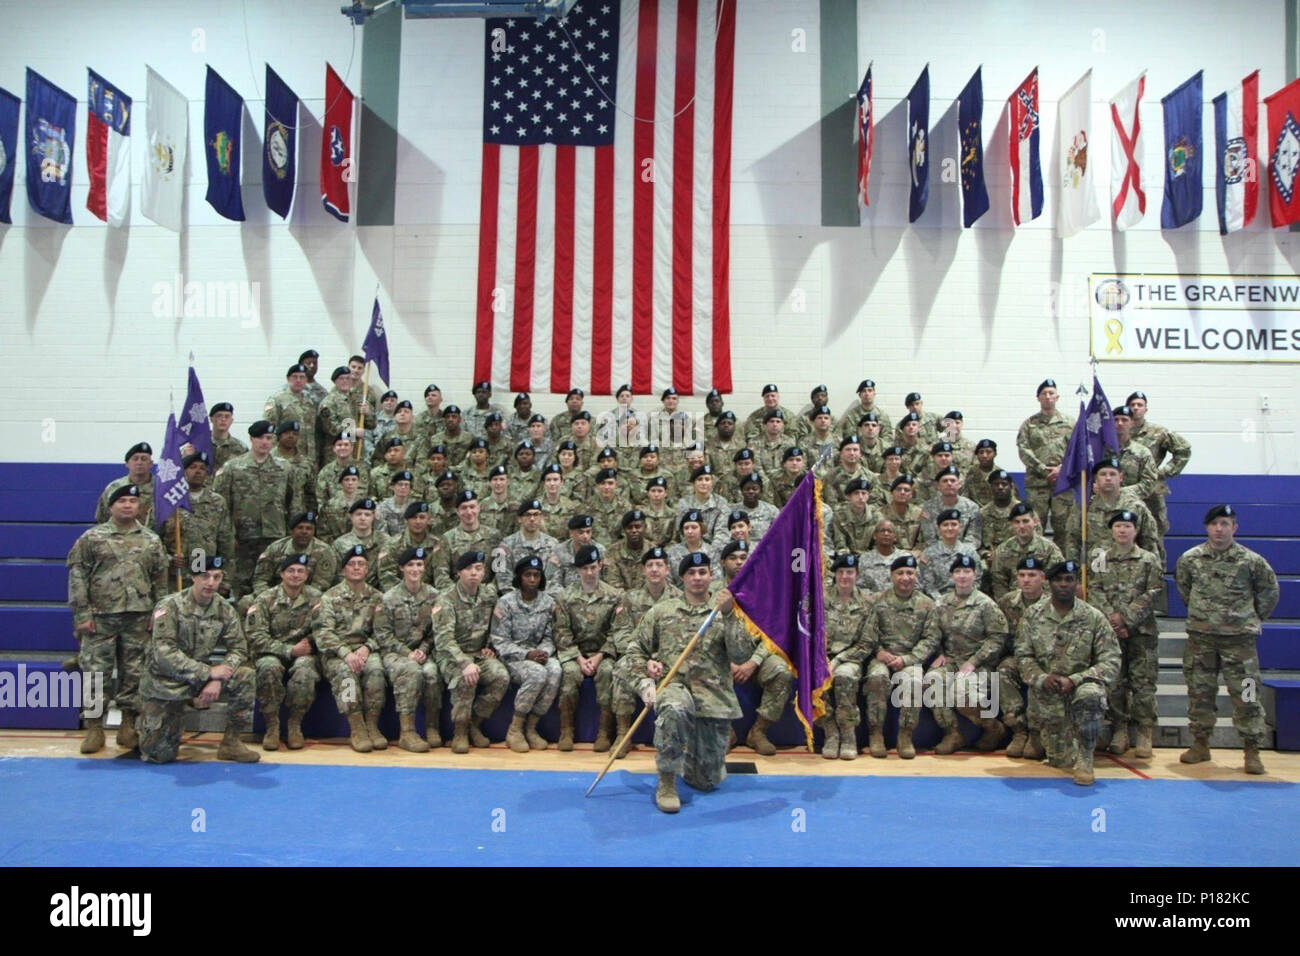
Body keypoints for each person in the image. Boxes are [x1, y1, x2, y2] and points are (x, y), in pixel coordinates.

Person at [626, 553, 755, 813]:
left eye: (703, 572)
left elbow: (742, 655)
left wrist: (730, 616)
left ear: (711, 576)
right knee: (674, 709)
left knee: (706, 782)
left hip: (713, 696)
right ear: (682, 577)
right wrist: (644, 681)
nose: (697, 578)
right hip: (675, 686)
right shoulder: (662, 612)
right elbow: (633, 650)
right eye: (692, 573)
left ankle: (690, 760)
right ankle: (666, 782)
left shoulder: (727, 612)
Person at [1175, 504, 1279, 775]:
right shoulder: (1190, 559)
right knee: (1200, 695)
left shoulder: (1251, 561)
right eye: (1214, 524)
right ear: (1206, 527)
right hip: (1201, 641)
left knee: (1247, 695)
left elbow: (1269, 591)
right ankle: (1200, 744)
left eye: (1225, 523)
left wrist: (1251, 619)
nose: (1219, 529)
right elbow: (1184, 589)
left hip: (1239, 644)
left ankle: (1252, 751)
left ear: (1235, 527)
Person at [67, 484, 170, 754]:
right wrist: (82, 614)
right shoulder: (92, 538)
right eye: (121, 501)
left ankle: (127, 726)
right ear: (110, 507)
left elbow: (160, 581)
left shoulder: (152, 540)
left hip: (138, 616)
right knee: (94, 674)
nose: (127, 505)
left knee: (134, 674)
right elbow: (78, 577)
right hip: (100, 618)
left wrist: (157, 615)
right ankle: (94, 729)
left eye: (132, 501)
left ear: (140, 507)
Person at [137, 555, 261, 764]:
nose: (211, 583)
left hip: (202, 678)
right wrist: (207, 673)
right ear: (193, 578)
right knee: (159, 755)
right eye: (205, 576)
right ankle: (148, 723)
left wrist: (217, 679)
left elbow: (239, 649)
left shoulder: (224, 609)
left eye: (217, 577)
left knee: (245, 676)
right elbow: (164, 654)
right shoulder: (169, 607)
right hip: (166, 681)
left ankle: (232, 742)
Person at [1015, 561, 1120, 786]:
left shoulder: (1093, 617)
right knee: (1060, 761)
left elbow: (1111, 660)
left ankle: (1086, 754)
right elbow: (1023, 657)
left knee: (1090, 694)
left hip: (1081, 687)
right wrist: (1042, 678)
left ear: (1076, 583)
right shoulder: (1033, 615)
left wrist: (1075, 679)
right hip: (1047, 693)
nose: (1064, 584)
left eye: (1069, 580)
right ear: (1049, 583)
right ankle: (1062, 739)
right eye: (1058, 580)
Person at [1086, 510, 1164, 758]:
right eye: (1118, 526)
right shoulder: (1100, 559)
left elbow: (1154, 591)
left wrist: (1126, 618)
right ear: (1111, 530)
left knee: (1143, 683)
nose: (1122, 530)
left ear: (1136, 531)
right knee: (1116, 683)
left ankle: (1144, 731)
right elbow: (1094, 589)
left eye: (1127, 526)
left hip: (1141, 631)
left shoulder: (1149, 559)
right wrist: (1112, 618)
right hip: (1110, 632)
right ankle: (1120, 729)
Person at [860, 555, 941, 759]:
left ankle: (905, 736)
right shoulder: (877, 601)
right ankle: (876, 734)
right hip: (882, 656)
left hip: (910, 658)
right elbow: (867, 632)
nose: (905, 577)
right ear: (892, 576)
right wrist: (878, 651)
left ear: (916, 576)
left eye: (910, 573)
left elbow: (931, 639)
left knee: (913, 683)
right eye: (900, 573)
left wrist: (907, 659)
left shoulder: (927, 604)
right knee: (877, 679)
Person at [927, 555, 1010, 754]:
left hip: (979, 664)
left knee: (961, 695)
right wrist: (939, 653)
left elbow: (997, 638)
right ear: (952, 576)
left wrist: (974, 662)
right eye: (957, 572)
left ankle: (993, 728)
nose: (962, 576)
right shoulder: (942, 603)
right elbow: (932, 633)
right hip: (952, 661)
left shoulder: (985, 604)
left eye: (967, 572)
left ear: (975, 575)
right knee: (931, 681)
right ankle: (953, 733)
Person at [314, 545, 389, 753]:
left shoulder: (377, 597)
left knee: (376, 671)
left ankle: (372, 725)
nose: (357, 568)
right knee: (346, 675)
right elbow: (323, 633)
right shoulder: (329, 597)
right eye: (352, 564)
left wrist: (367, 648)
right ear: (343, 570)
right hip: (337, 654)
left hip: (366, 650)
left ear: (367, 569)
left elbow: (383, 630)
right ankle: (356, 726)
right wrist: (345, 653)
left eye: (361, 564)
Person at [246, 553, 324, 751]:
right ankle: (272, 726)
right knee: (268, 667)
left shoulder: (317, 598)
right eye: (291, 570)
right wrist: (289, 650)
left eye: (300, 571)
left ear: (307, 575)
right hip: (273, 652)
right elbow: (256, 637)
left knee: (305, 670)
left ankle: (294, 724)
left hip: (305, 653)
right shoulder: (265, 599)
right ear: (281, 574)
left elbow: (325, 629)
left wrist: (310, 643)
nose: (295, 575)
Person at [435, 551, 509, 752]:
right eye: (468, 569)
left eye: (478, 568)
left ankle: (473, 724)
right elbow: (444, 639)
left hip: (479, 653)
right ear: (459, 572)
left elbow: (497, 625)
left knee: (501, 676)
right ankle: (460, 732)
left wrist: (491, 647)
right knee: (466, 679)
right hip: (452, 656)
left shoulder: (489, 595)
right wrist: (464, 663)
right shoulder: (446, 599)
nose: (474, 573)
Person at [212, 420, 293, 599]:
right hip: (244, 537)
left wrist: (291, 533)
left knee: (275, 584)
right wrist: (228, 534)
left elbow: (293, 502)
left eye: (269, 438)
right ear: (251, 439)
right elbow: (221, 505)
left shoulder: (284, 468)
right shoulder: (232, 468)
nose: (265, 442)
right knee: (243, 584)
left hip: (275, 535)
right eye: (260, 438)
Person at [553, 544, 622, 751]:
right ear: (577, 570)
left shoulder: (615, 596)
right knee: (568, 675)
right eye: (584, 568)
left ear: (601, 565)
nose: (589, 572)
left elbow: (617, 631)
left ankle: (603, 732)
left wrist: (600, 656)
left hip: (604, 653)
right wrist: (579, 659)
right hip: (576, 654)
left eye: (593, 567)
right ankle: (566, 730)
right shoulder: (565, 597)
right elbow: (561, 631)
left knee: (608, 673)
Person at [374, 546, 442, 751]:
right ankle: (407, 732)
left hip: (423, 652)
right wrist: (407, 653)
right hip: (395, 653)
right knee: (411, 671)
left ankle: (432, 727)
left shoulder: (434, 596)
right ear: (401, 569)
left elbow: (436, 630)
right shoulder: (389, 598)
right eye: (410, 565)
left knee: (432, 673)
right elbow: (383, 635)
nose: (415, 569)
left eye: (419, 564)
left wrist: (423, 648)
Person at [491, 556, 561, 752]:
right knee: (537, 674)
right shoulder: (506, 603)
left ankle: (531, 727)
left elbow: (550, 636)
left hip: (539, 655)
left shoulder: (548, 603)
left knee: (555, 669)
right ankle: (515, 729)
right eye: (527, 575)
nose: (532, 579)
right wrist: (527, 654)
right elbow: (500, 640)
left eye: (536, 575)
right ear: (519, 577)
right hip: (513, 658)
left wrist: (544, 652)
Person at [820, 553, 873, 759]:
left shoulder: (867, 603)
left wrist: (838, 660)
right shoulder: (820, 599)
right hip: (822, 655)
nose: (845, 576)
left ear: (857, 574)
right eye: (841, 572)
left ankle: (848, 735)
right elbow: (810, 632)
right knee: (816, 676)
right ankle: (831, 733)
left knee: (844, 676)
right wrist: (821, 658)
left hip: (850, 657)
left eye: (849, 572)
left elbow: (867, 643)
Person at [158, 451, 235, 591]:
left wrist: (225, 581)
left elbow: (226, 544)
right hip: (175, 577)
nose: (198, 471)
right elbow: (153, 539)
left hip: (207, 577)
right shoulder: (169, 501)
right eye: (193, 467)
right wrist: (169, 559)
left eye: (202, 468)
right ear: (183, 471)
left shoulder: (217, 502)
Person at [1126, 390, 1192, 538]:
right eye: (1132, 405)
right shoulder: (1118, 430)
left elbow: (1184, 449)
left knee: (1154, 534)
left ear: (1146, 409)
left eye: (1140, 405)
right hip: (1126, 490)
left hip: (1151, 491)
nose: (1136, 408)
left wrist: (1165, 471)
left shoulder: (1158, 432)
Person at [1016, 379, 1074, 538]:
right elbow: (1023, 449)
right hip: (1036, 484)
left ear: (1057, 397)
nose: (1048, 397)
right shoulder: (1029, 424)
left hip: (1062, 483)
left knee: (1064, 529)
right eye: (1044, 394)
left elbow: (1075, 451)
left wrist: (1061, 469)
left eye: (1051, 393)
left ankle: (1062, 562)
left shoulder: (1070, 423)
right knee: (1034, 528)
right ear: (1038, 398)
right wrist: (1042, 469)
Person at [251, 511, 339, 598]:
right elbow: (260, 579)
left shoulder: (324, 551)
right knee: (245, 602)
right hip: (274, 595)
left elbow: (320, 585)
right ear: (292, 531)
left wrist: (295, 600)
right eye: (300, 528)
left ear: (313, 531)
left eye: (309, 528)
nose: (304, 532)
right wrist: (268, 598)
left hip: (308, 597)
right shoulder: (276, 548)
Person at [989, 502, 1064, 600]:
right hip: (1012, 604)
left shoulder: (1049, 549)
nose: (1021, 526)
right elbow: (998, 582)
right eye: (1017, 522)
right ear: (1011, 524)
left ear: (1035, 521)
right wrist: (1007, 603)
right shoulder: (1003, 550)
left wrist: (1044, 603)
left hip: (1043, 603)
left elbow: (1056, 579)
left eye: (1025, 521)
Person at [263, 363, 320, 466]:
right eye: (295, 377)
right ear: (288, 379)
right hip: (285, 457)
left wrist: (314, 458)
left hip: (308, 458)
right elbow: (269, 429)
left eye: (302, 377)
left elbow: (313, 433)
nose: (298, 380)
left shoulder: (310, 402)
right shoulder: (277, 400)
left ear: (306, 380)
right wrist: (275, 454)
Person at [918, 509, 981, 598]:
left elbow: (977, 580)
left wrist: (964, 598)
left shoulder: (970, 553)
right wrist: (942, 601)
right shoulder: (929, 554)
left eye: (954, 524)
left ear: (960, 527)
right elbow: (927, 584)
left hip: (966, 599)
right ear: (938, 528)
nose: (950, 528)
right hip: (938, 601)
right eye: (945, 525)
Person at [96, 442, 157, 528]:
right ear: (127, 463)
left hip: (153, 539)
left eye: (144, 459)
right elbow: (102, 518)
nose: (139, 463)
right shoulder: (114, 487)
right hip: (119, 538)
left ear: (151, 464)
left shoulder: (161, 488)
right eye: (135, 459)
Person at [209, 403, 249, 472]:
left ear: (231, 421)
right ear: (211, 419)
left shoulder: (241, 448)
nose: (223, 419)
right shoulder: (200, 444)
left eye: (227, 416)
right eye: (219, 416)